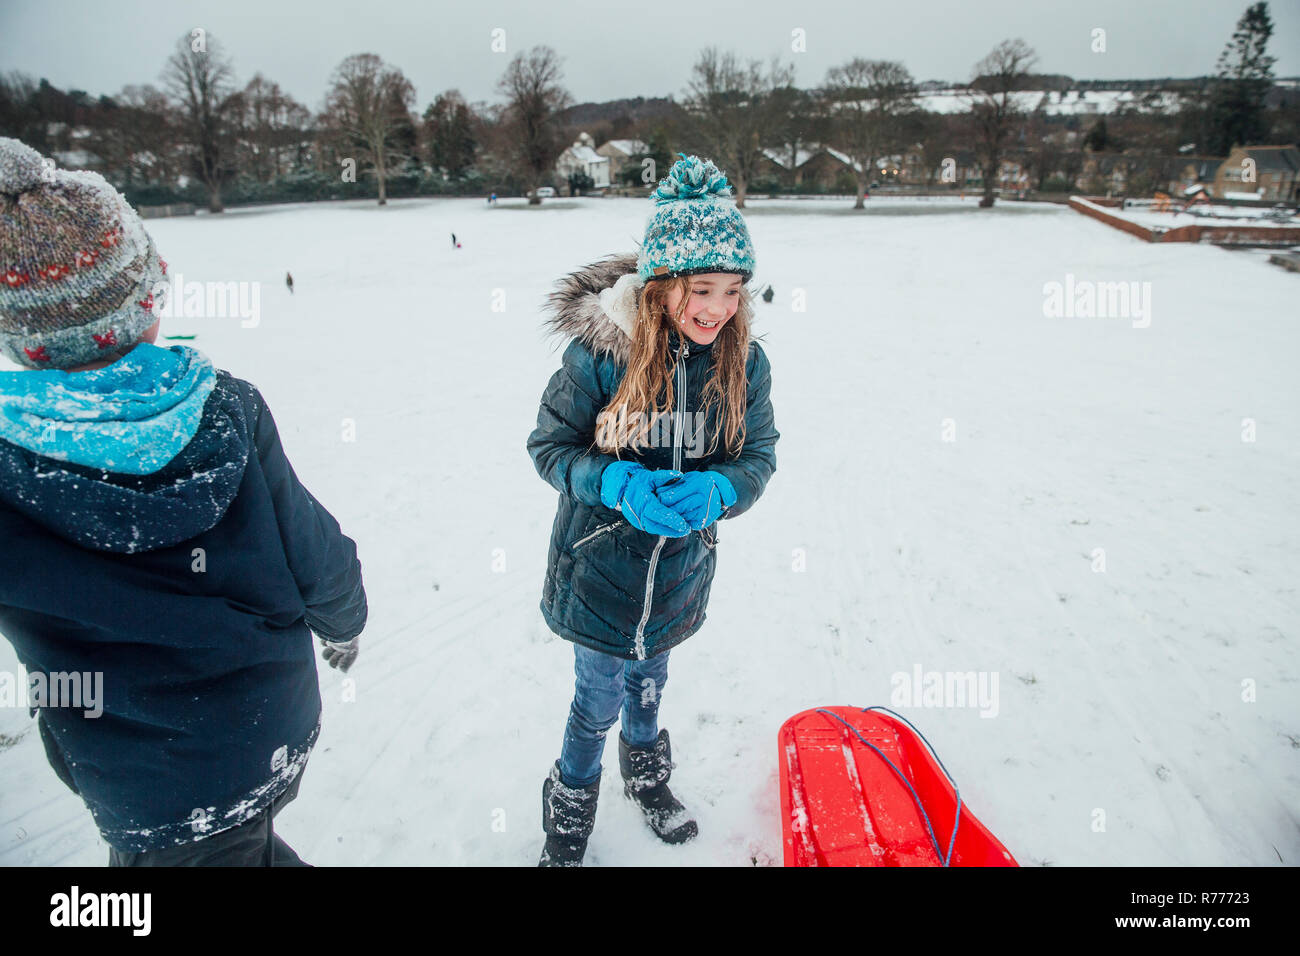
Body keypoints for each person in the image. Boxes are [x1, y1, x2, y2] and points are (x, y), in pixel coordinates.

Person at [0, 137, 368, 866]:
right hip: (270, 726)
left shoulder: (11, 465)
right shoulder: (227, 407)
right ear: (147, 304)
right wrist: (344, 619)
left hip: (131, 777)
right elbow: (315, 550)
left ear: (21, 344)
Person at [527, 154, 780, 866]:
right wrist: (616, 486)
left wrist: (722, 490)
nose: (718, 308)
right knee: (596, 701)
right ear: (662, 285)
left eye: (733, 291)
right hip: (599, 575)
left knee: (650, 685)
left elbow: (758, 454)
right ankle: (568, 818)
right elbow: (548, 447)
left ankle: (647, 781)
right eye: (703, 288)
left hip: (678, 575)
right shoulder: (602, 358)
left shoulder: (745, 365)